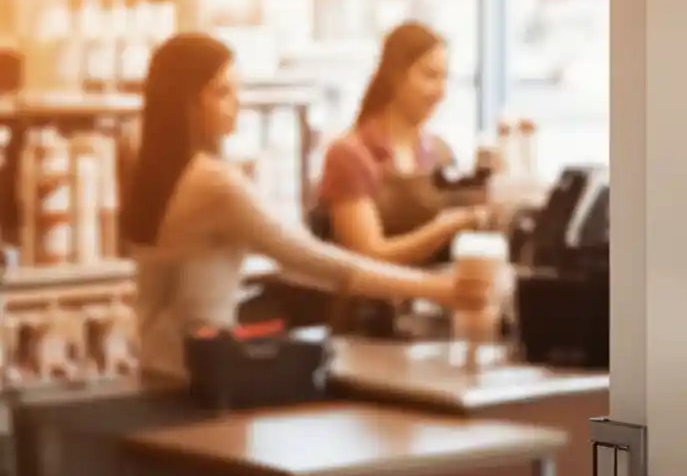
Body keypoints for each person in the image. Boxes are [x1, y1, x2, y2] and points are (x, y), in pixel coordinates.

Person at [122, 33, 493, 380]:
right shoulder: (215, 183)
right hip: (201, 375)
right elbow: (312, 261)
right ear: (189, 101)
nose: (237, 104)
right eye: (222, 92)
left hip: (158, 371)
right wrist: (436, 289)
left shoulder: (158, 175)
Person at [313, 22, 489, 264]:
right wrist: (446, 227)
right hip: (370, 299)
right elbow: (368, 256)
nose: (441, 91)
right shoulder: (349, 155)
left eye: (445, 78)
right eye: (430, 76)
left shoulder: (440, 151)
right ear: (396, 75)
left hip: (433, 294)